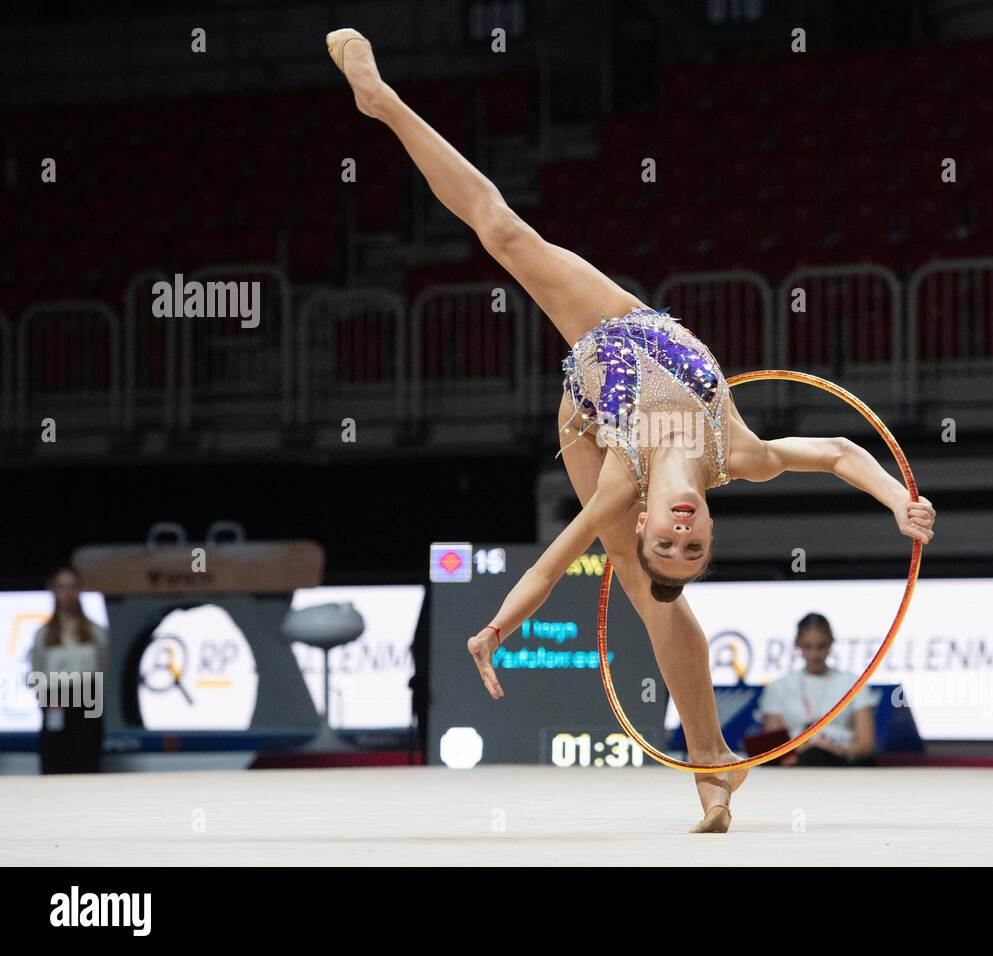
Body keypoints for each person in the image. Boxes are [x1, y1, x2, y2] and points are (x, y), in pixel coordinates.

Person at [325, 30, 936, 831]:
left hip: (589, 407)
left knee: (633, 578)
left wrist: (496, 629)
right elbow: (840, 450)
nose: (680, 532)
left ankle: (706, 758)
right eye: (693, 544)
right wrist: (897, 502)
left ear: (647, 522)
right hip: (627, 324)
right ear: (708, 527)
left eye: (666, 541)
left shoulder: (623, 489)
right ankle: (382, 101)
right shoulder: (739, 455)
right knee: (506, 233)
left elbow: (548, 566)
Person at [759, 613, 879, 767]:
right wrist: (802, 749)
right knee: (811, 756)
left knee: (817, 755)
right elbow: (772, 745)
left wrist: (837, 750)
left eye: (821, 646)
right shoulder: (779, 686)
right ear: (797, 644)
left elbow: (866, 745)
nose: (815, 654)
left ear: (831, 643)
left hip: (841, 761)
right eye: (808, 646)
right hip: (797, 761)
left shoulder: (854, 683)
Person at [27, 566, 108, 774]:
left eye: (72, 587)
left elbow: (103, 668)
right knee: (55, 763)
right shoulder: (44, 635)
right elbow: (36, 673)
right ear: (53, 590)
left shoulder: (95, 632)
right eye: (62, 587)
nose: (68, 594)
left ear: (80, 589)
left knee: (87, 762)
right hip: (56, 702)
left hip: (87, 703)